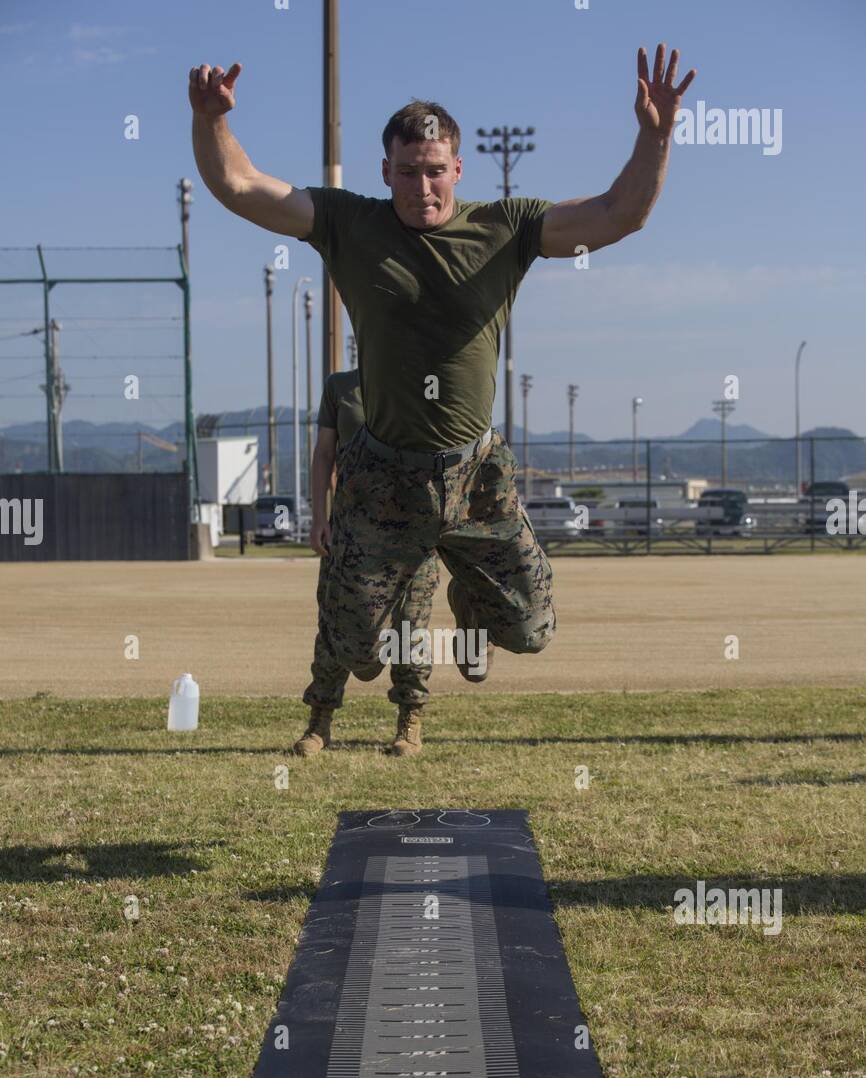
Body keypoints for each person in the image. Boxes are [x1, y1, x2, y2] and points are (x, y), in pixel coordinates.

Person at [189, 45, 695, 690]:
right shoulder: (350, 222)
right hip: (383, 471)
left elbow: (619, 216)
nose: (421, 187)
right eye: (406, 172)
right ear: (386, 170)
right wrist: (212, 123)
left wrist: (656, 136)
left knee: (530, 631)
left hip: (475, 469)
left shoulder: (506, 228)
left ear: (457, 168)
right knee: (357, 652)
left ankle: (469, 602)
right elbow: (241, 187)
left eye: (434, 171)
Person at [295, 366, 440, 758]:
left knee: (410, 628)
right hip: (351, 532)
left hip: (411, 532)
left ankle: (410, 722)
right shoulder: (341, 387)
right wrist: (319, 518)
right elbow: (325, 453)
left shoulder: (422, 380)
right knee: (334, 625)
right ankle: (319, 722)